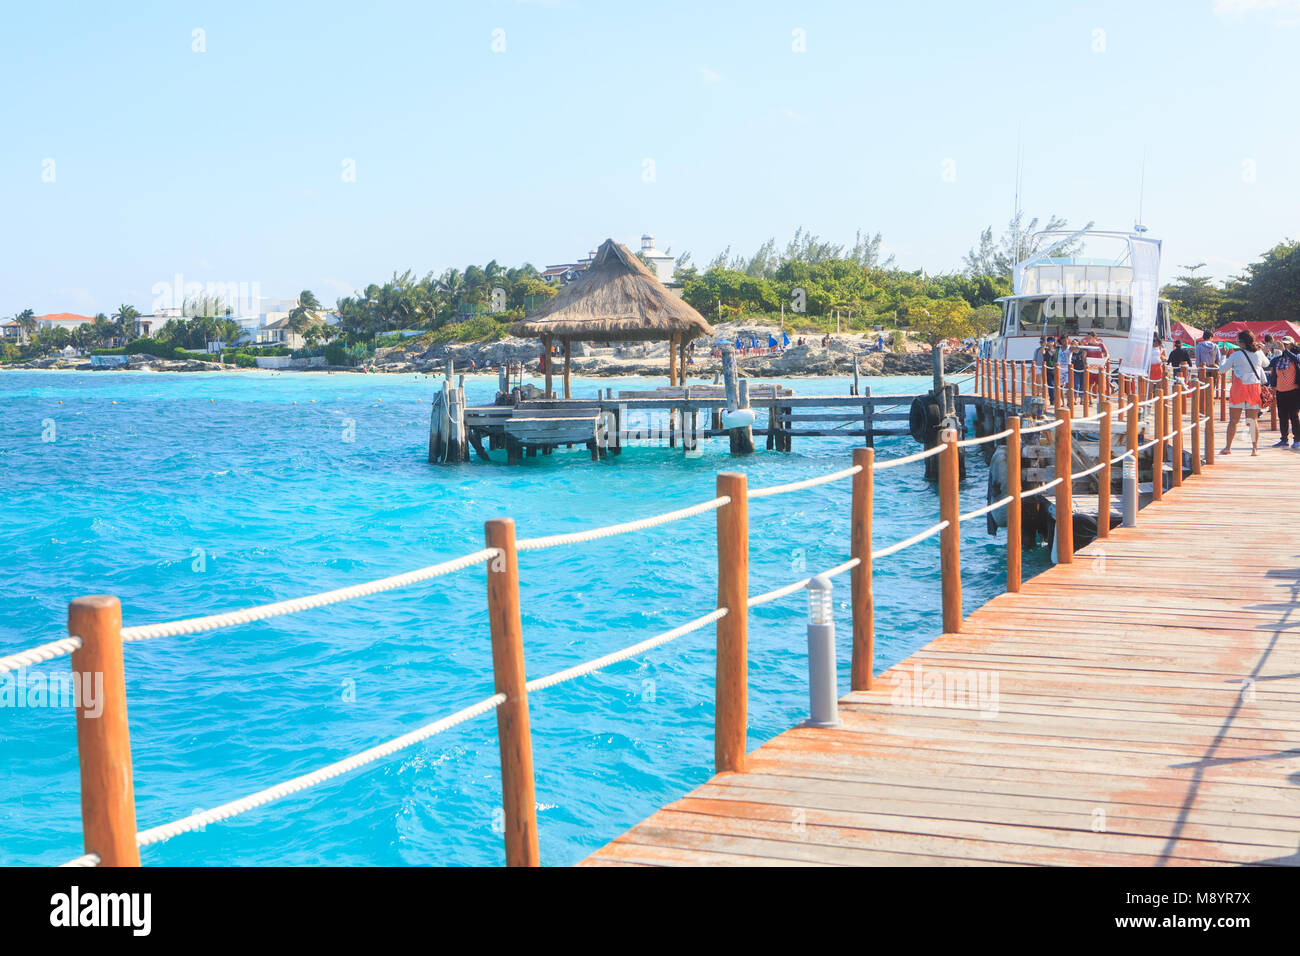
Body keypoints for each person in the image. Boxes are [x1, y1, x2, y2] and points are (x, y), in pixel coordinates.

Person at [1221, 329, 1267, 456]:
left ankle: (1227, 448)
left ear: (1242, 342)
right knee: (1253, 420)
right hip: (1253, 388)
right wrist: (1261, 350)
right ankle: (1254, 449)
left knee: (1233, 421)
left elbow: (1222, 369)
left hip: (1239, 388)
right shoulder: (1258, 353)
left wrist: (1223, 355)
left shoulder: (1236, 355)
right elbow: (1266, 363)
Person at [1267, 337, 1300, 448]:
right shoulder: (1278, 358)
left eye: (1287, 344)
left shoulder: (1296, 356)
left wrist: (1285, 351)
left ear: (1292, 345)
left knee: (1294, 416)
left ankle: (1297, 440)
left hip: (1293, 391)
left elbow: (1297, 359)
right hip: (1280, 391)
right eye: (1283, 344)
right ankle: (1284, 439)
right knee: (1282, 416)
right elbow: (1268, 363)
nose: (1284, 346)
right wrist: (1269, 349)